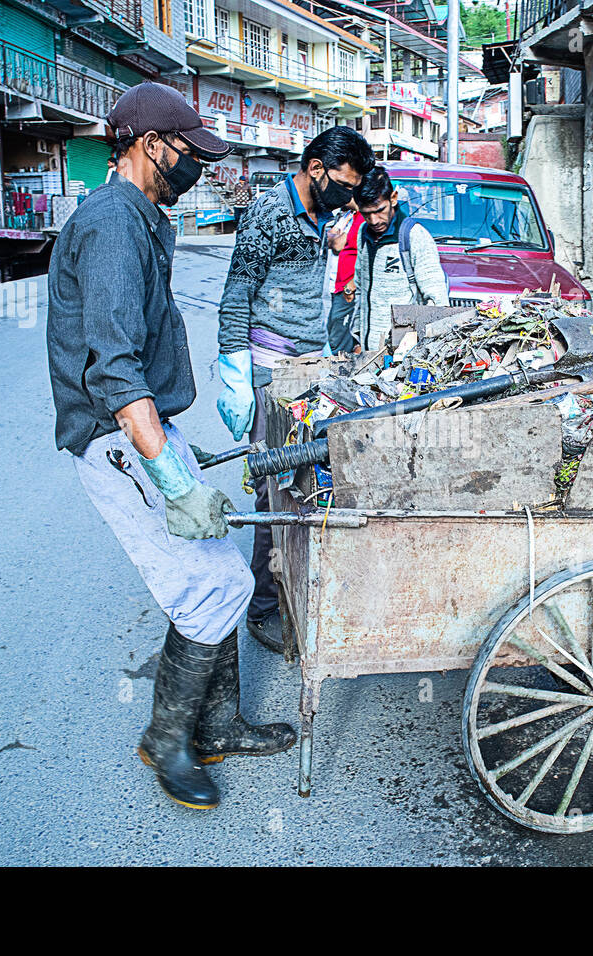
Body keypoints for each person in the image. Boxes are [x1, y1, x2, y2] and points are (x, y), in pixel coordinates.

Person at [46, 82, 295, 811]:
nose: (198, 168)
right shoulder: (114, 225)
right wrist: (172, 479)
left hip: (149, 427)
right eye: (189, 153)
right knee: (204, 587)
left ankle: (218, 724)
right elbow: (114, 370)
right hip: (117, 438)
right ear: (150, 143)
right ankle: (168, 739)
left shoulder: (141, 216)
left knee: (227, 577)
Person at [216, 125, 376, 653]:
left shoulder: (319, 215)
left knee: (306, 484)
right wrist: (236, 372)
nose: (350, 197)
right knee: (275, 491)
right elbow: (238, 292)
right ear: (314, 169)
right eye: (345, 186)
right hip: (269, 368)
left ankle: (293, 586)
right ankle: (264, 607)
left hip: (307, 366)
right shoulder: (270, 213)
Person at [352, 166, 450, 354]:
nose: (373, 220)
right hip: (368, 353)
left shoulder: (414, 236)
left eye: (379, 210)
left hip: (402, 354)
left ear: (393, 198)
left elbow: (437, 302)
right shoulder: (362, 234)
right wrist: (357, 338)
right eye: (366, 213)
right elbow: (360, 291)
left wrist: (416, 348)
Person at [325, 203, 363, 353]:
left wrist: (350, 286)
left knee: (338, 338)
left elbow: (338, 244)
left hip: (348, 287)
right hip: (337, 285)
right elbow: (330, 240)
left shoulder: (362, 218)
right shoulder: (347, 215)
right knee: (335, 330)